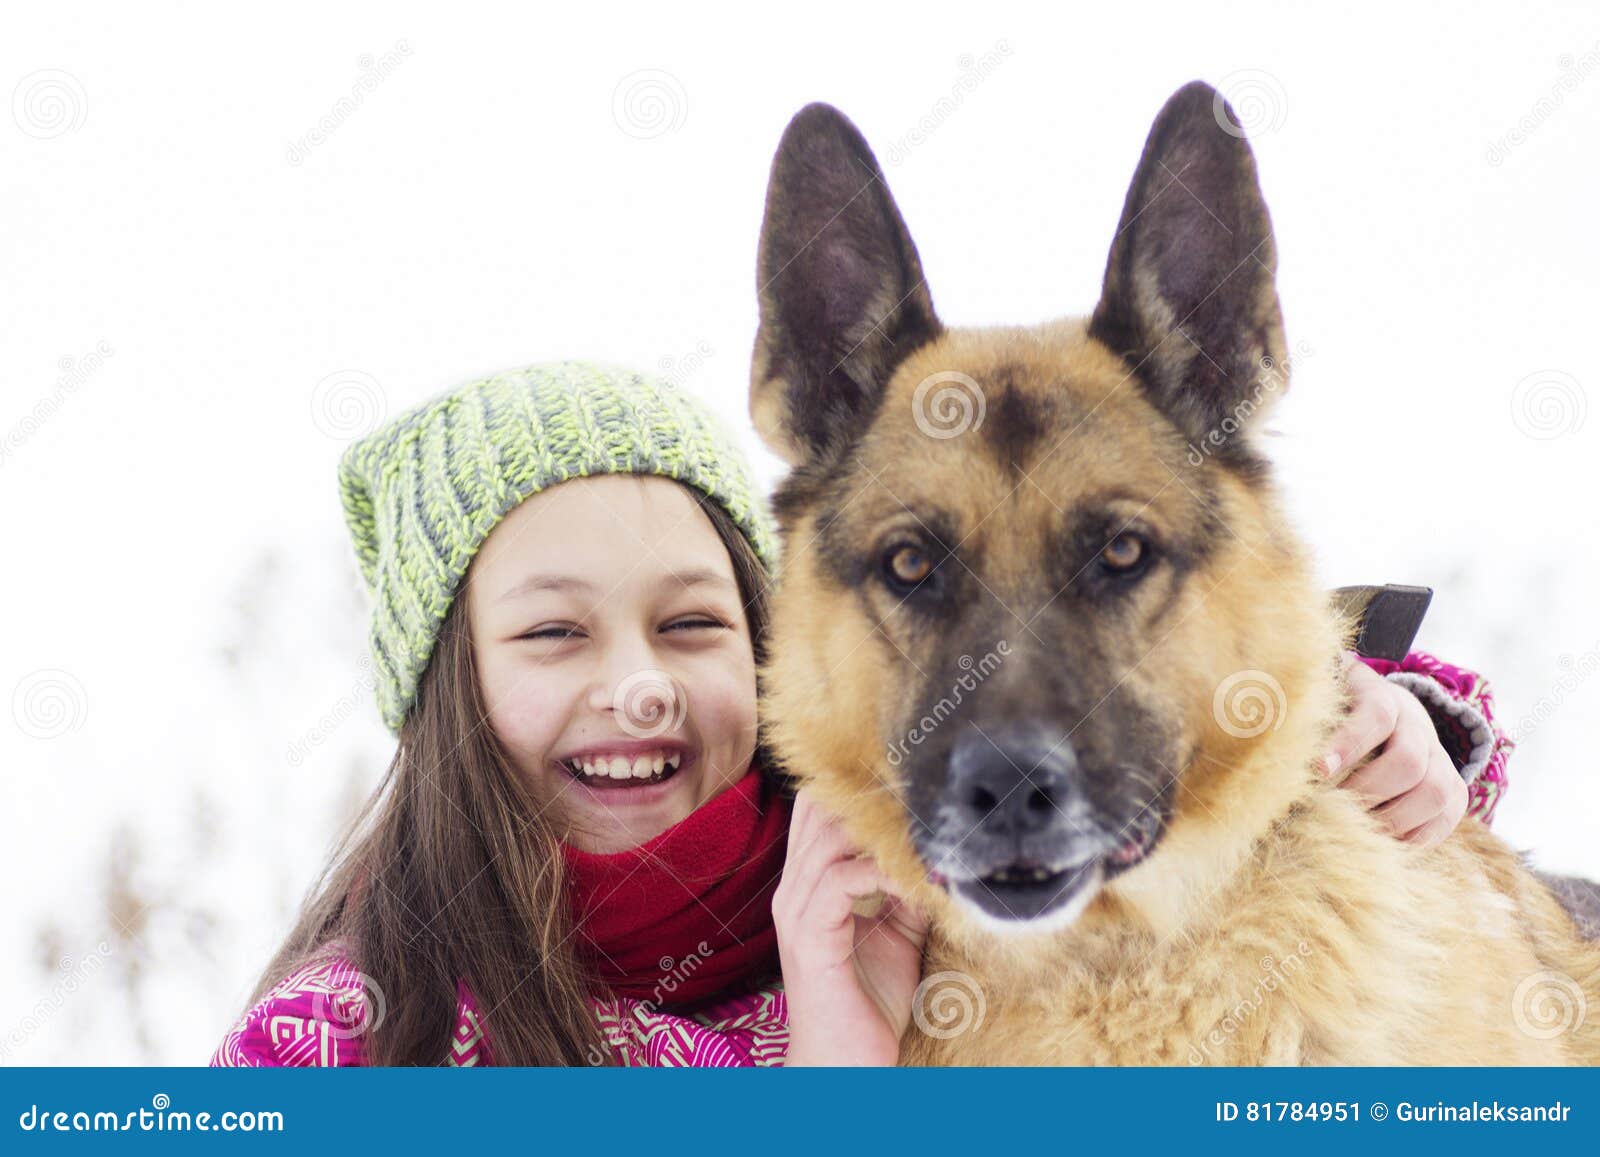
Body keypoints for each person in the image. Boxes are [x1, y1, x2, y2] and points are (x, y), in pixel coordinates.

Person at [212, 361, 1513, 1067]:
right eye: (553, 632)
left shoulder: (891, 865)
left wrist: (1385, 730)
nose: (639, 683)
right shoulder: (346, 1048)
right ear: (450, 697)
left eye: (693, 622)